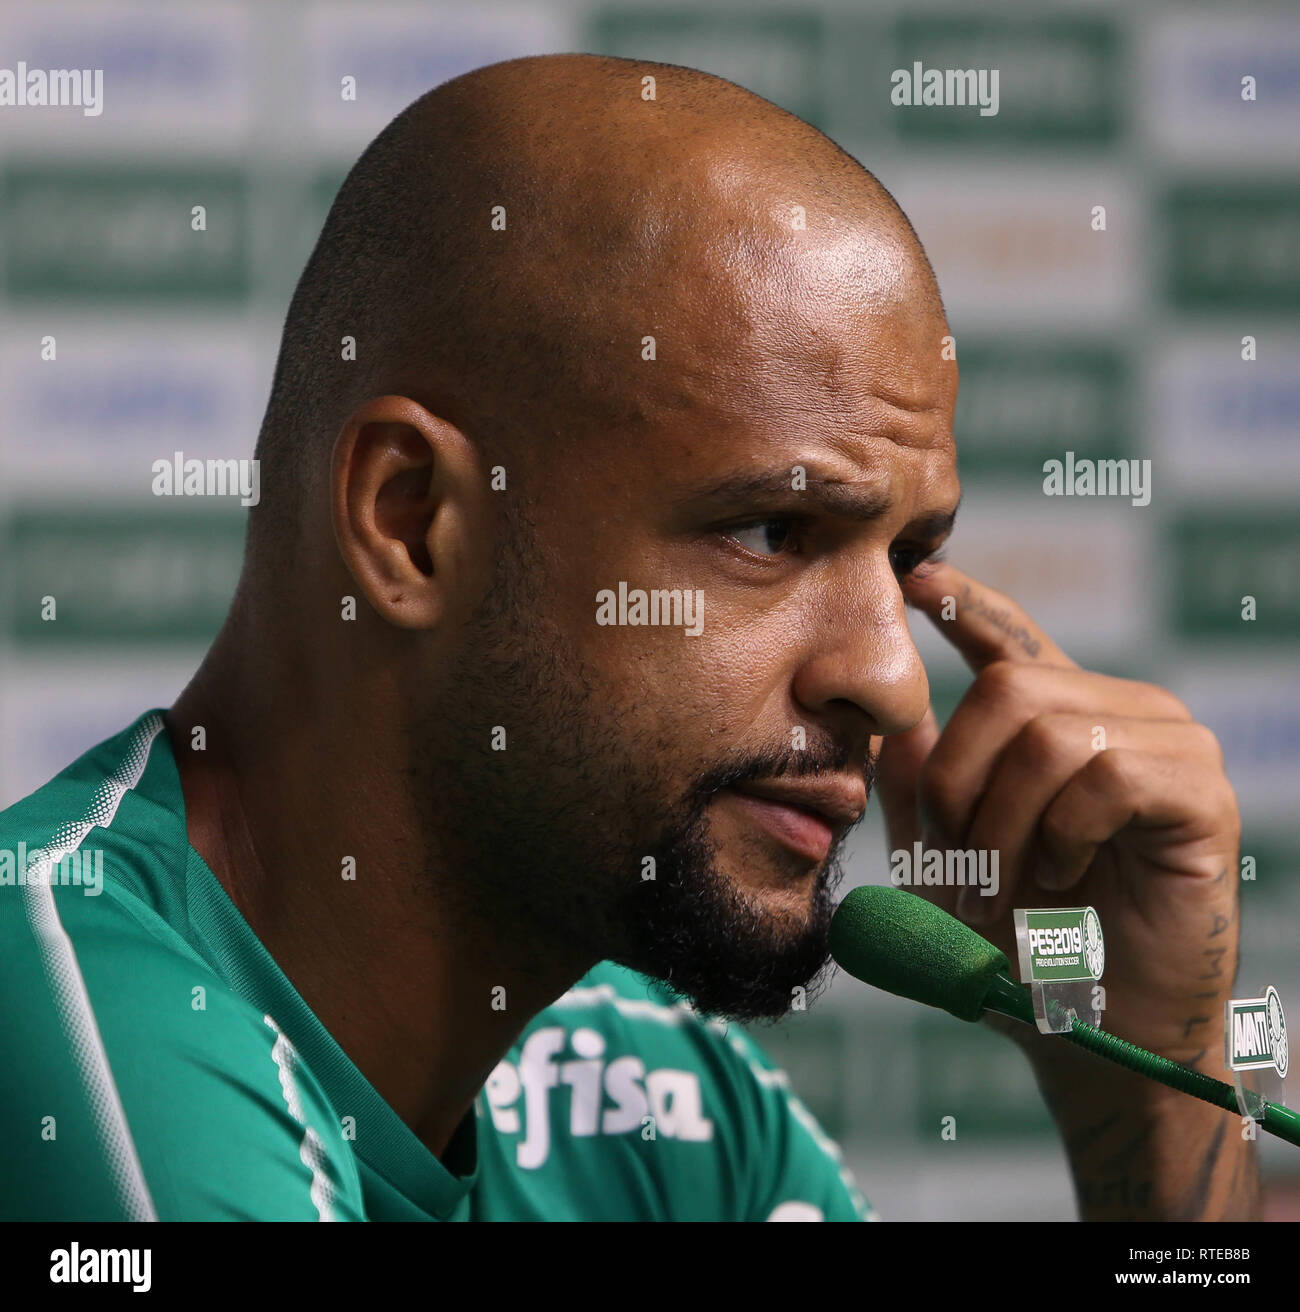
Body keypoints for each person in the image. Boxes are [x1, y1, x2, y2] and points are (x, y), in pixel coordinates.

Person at [0, 53, 1254, 1221]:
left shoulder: (638, 1080)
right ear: (413, 523)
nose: (886, 678)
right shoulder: (79, 1034)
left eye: (908, 559)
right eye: (771, 530)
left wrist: (1138, 1079)